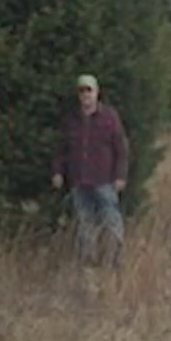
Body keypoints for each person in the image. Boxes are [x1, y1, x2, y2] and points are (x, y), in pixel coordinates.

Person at [52, 73, 129, 267]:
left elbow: (121, 148)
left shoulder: (109, 117)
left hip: (104, 180)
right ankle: (88, 263)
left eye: (89, 90)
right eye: (82, 91)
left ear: (97, 92)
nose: (86, 94)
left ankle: (114, 261)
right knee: (84, 224)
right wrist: (58, 172)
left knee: (111, 220)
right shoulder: (71, 120)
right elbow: (61, 149)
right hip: (79, 180)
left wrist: (120, 176)